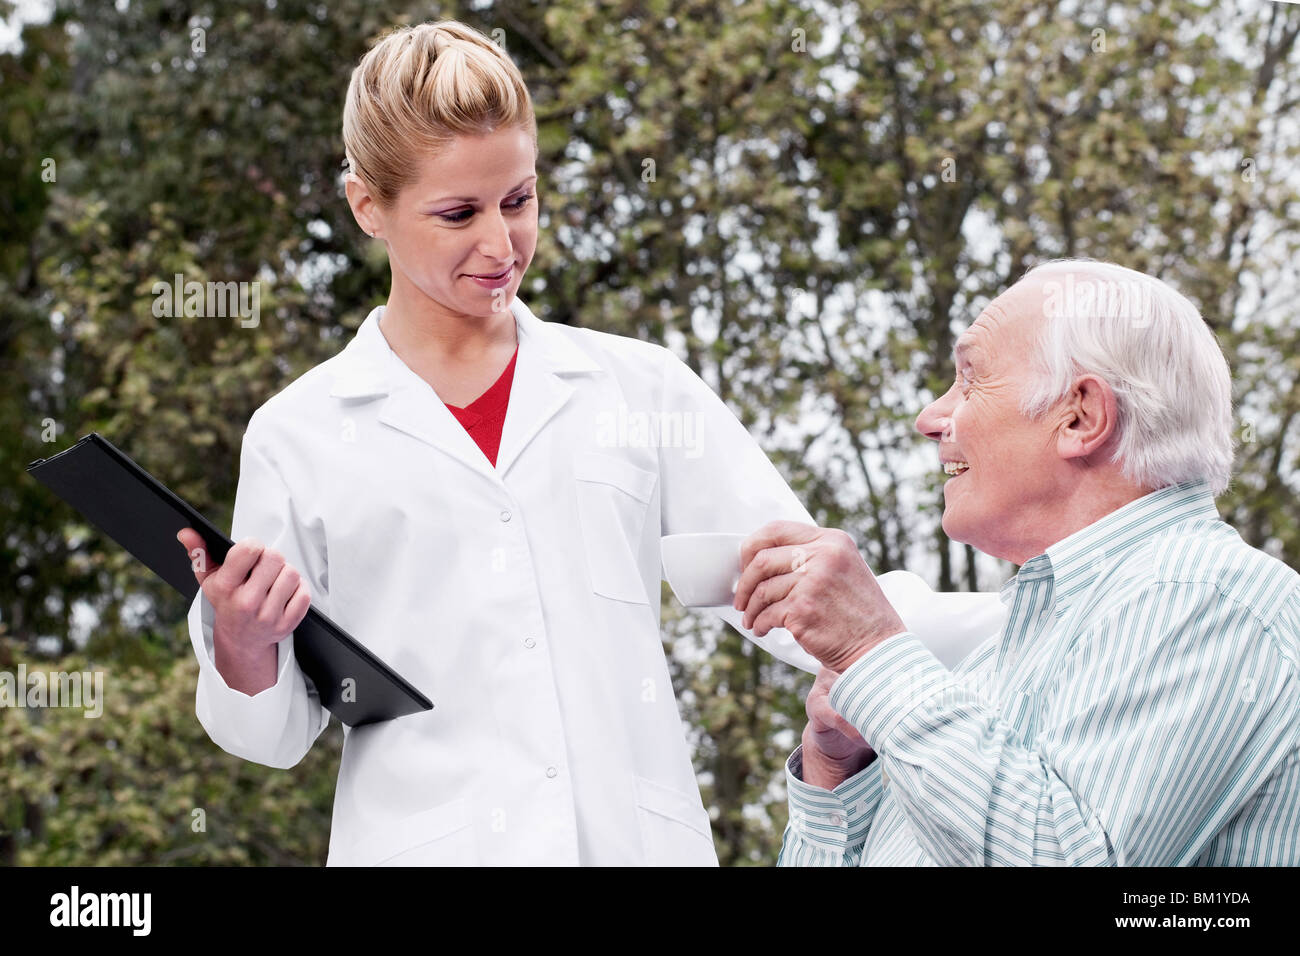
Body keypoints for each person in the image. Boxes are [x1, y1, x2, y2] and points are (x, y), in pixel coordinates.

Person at [176, 20, 1004, 866]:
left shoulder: (641, 390)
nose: (501, 244)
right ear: (367, 207)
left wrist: (1036, 616)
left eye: (519, 200)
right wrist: (242, 641)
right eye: (458, 213)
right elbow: (272, 737)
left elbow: (810, 599)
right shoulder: (301, 433)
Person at [735, 258, 1300, 865]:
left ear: (1080, 416)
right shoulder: (986, 667)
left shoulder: (1212, 597)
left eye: (971, 379)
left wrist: (870, 650)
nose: (929, 419)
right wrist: (835, 773)